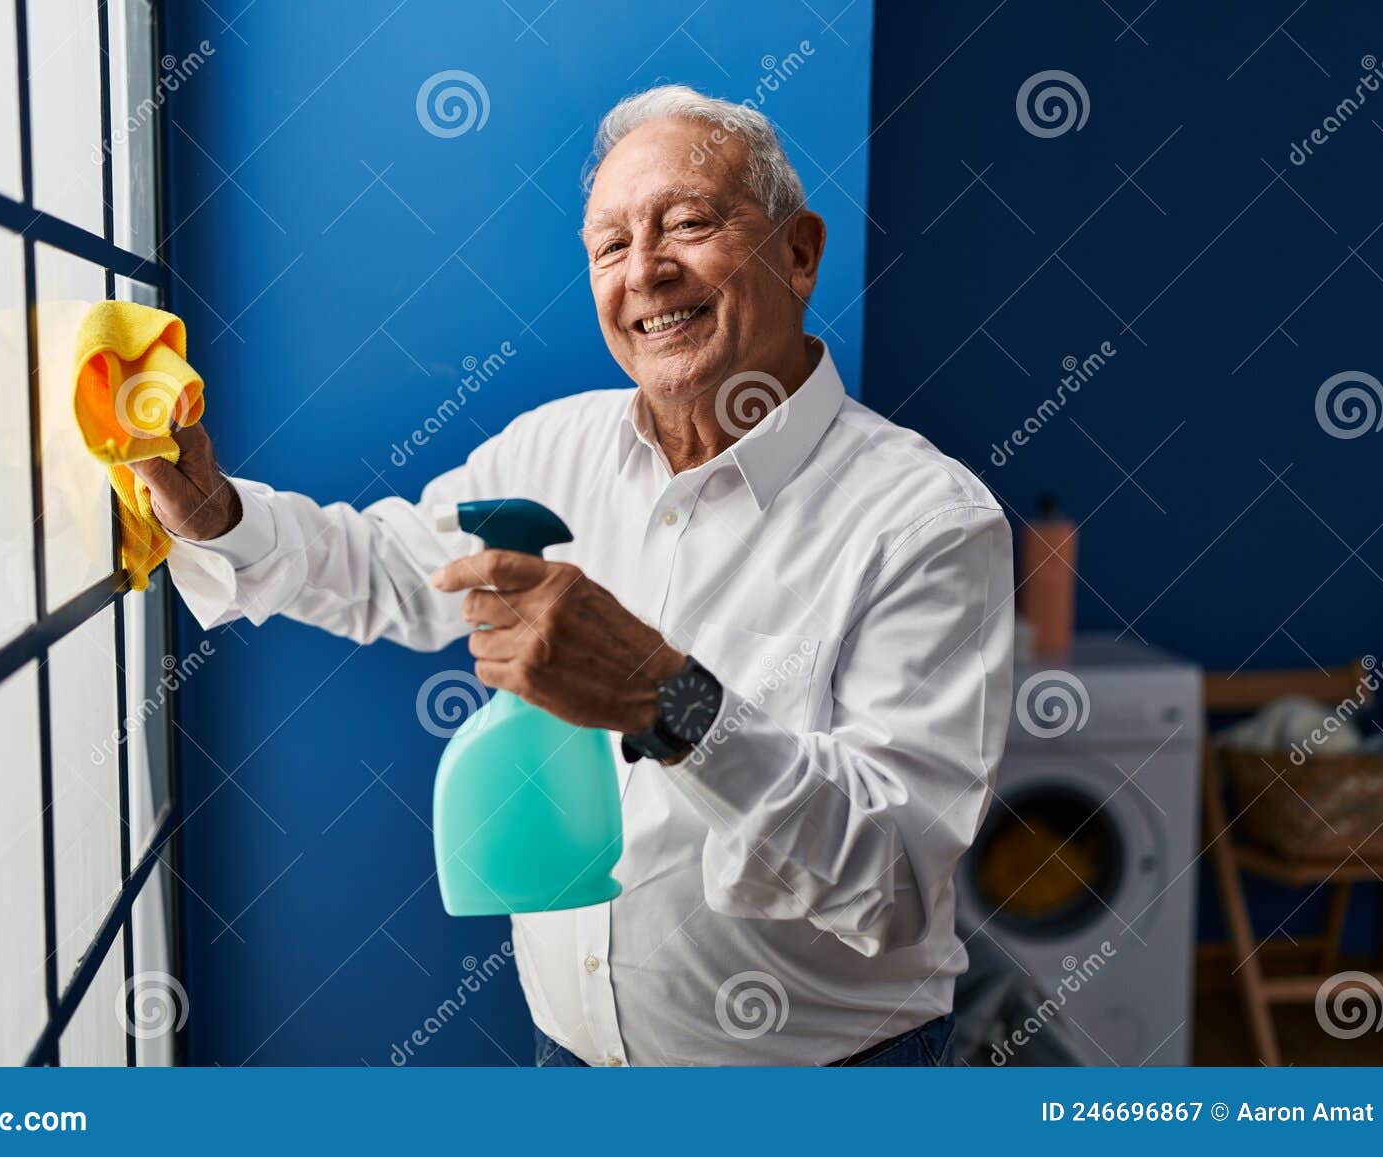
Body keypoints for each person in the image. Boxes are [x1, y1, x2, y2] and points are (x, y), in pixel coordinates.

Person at [133, 85, 1013, 1067]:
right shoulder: (551, 448)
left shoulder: (926, 520)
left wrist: (668, 700)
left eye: (688, 223)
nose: (646, 271)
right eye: (610, 245)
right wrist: (216, 516)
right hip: (570, 1052)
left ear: (798, 252)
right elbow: (391, 567)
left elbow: (896, 876)